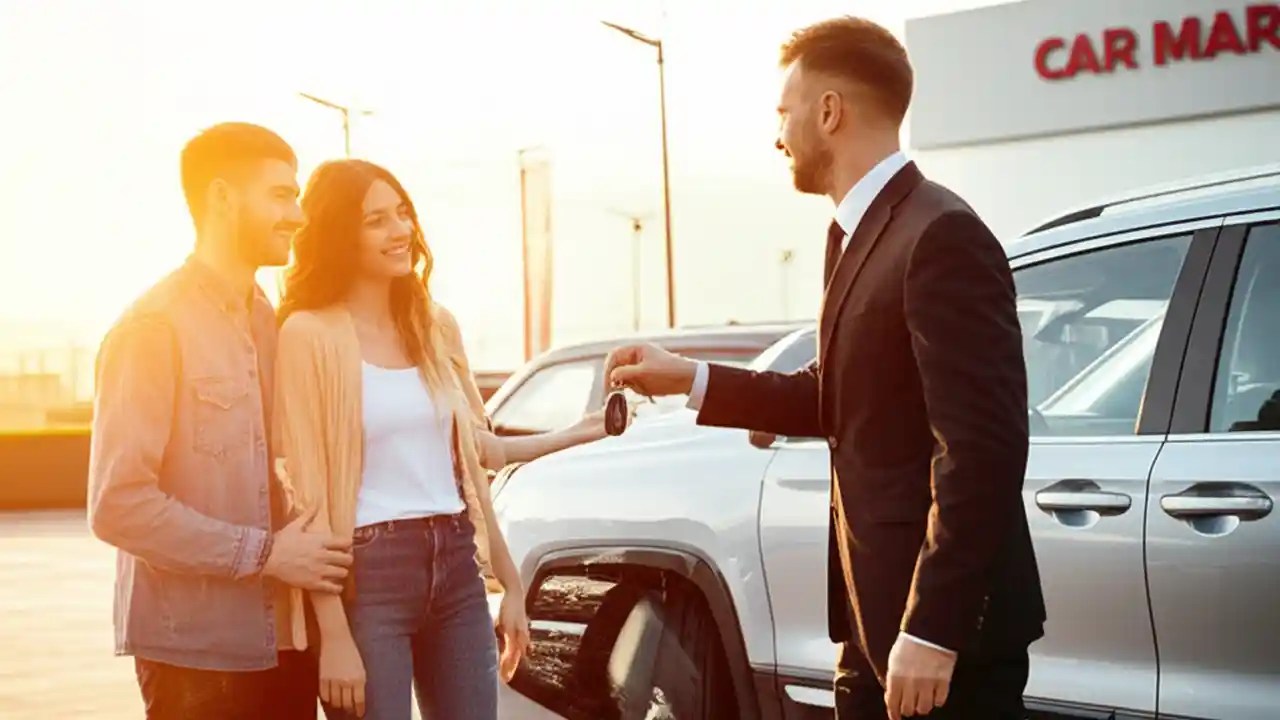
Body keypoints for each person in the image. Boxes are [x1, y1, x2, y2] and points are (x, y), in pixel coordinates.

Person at [604, 16, 1045, 720]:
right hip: (872, 629)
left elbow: (982, 450)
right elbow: (835, 398)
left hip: (940, 644)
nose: (777, 136)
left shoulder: (939, 234)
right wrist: (688, 376)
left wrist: (934, 625)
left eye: (785, 112)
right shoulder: (856, 233)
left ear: (830, 111)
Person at [273, 158, 608, 720]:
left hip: (454, 564)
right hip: (368, 575)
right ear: (337, 233)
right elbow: (305, 497)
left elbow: (478, 460)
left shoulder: (434, 325)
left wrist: (510, 583)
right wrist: (332, 632)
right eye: (376, 219)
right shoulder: (308, 334)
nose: (400, 230)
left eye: (402, 214)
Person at [88, 122, 353, 720]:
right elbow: (118, 504)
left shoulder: (270, 319)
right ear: (222, 198)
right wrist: (263, 555)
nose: (299, 216)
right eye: (281, 195)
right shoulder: (151, 328)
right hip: (195, 660)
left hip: (284, 641)